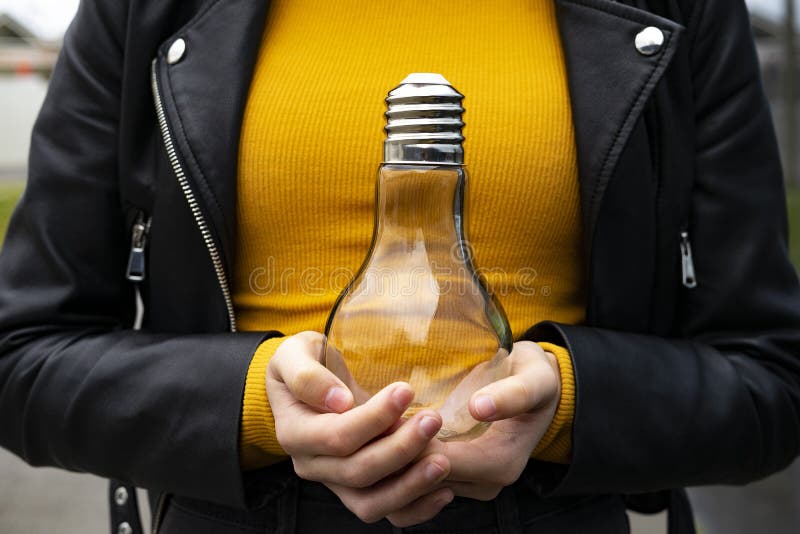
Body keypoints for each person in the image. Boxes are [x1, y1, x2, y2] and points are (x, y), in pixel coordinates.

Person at [1, 0, 798, 533]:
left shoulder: (674, 6)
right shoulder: (151, 9)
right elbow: (24, 357)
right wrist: (251, 406)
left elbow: (770, 381)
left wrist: (568, 405)